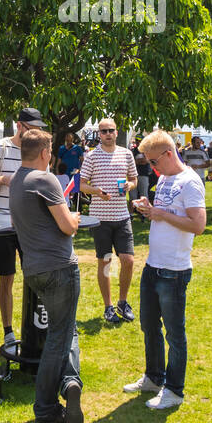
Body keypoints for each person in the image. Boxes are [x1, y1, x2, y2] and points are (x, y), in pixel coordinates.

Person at [125, 129, 206, 410]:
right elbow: (167, 214)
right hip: (154, 265)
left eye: (153, 162)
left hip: (174, 269)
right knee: (149, 325)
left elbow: (198, 225)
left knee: (174, 333)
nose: (151, 167)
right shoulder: (166, 179)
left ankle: (174, 390)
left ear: (169, 154)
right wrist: (149, 208)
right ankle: (153, 377)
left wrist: (160, 214)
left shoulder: (190, 183)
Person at [11, 128, 84, 423]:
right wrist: (75, 219)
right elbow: (67, 226)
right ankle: (45, 407)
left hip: (34, 269)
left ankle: (69, 384)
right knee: (59, 337)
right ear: (45, 153)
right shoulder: (46, 179)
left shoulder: (17, 179)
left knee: (66, 330)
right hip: (59, 267)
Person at [0, 110, 42, 347]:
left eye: (37, 128)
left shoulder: (38, 149)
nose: (34, 132)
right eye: (30, 127)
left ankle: (34, 329)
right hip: (3, 223)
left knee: (35, 276)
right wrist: (3, 180)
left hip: (30, 224)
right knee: (6, 278)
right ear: (19, 125)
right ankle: (8, 332)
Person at [81, 117, 140, 324]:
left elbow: (134, 179)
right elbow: (81, 184)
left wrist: (129, 187)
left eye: (110, 130)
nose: (107, 134)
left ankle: (122, 302)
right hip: (100, 219)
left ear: (116, 132)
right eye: (103, 131)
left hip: (122, 216)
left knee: (128, 260)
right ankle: (108, 307)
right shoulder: (91, 156)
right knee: (105, 262)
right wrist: (96, 191)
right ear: (99, 134)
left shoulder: (126, 154)